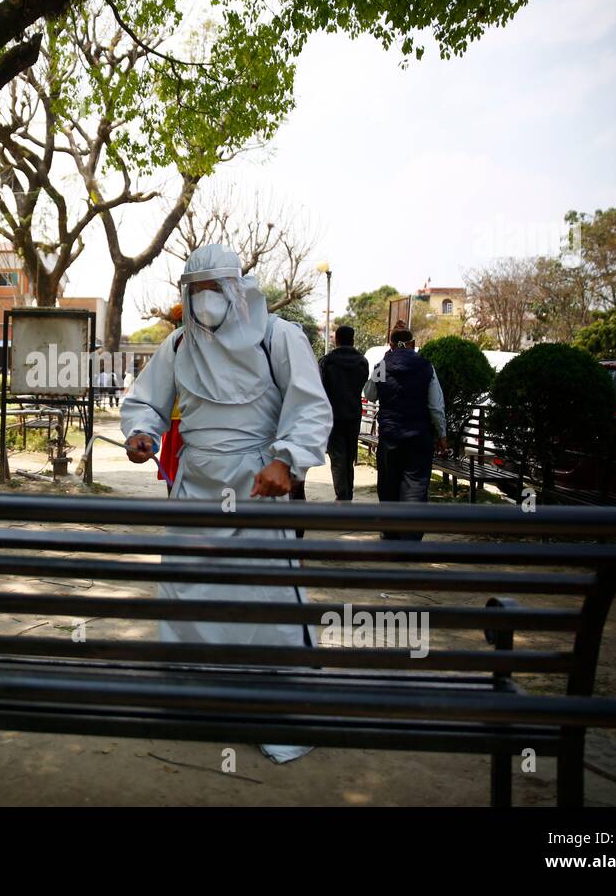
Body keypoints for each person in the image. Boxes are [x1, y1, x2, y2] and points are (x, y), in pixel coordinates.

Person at [121, 244, 333, 764]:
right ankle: (195, 703)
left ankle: (273, 711)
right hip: (193, 488)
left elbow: (309, 406)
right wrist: (141, 433)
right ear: (186, 295)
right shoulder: (176, 346)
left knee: (264, 599)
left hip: (258, 485)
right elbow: (146, 400)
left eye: (216, 287)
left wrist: (287, 461)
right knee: (187, 595)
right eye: (197, 289)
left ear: (237, 288)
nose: (207, 298)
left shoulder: (280, 337)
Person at [362, 321, 447, 540]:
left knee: (389, 483)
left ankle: (389, 531)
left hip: (390, 435)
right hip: (419, 435)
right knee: (416, 484)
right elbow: (436, 405)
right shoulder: (426, 366)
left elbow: (370, 394)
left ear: (390, 345)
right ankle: (411, 536)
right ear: (413, 344)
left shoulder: (382, 366)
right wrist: (442, 436)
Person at [319, 325, 370, 501]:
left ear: (336, 340)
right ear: (353, 339)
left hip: (333, 415)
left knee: (337, 456)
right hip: (354, 415)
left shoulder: (327, 361)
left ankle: (342, 495)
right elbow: (362, 383)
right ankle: (348, 494)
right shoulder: (362, 361)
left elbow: (320, 388)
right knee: (349, 456)